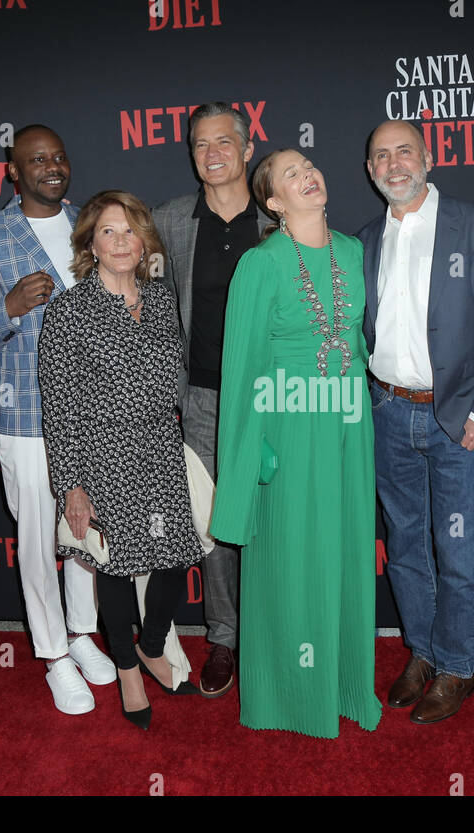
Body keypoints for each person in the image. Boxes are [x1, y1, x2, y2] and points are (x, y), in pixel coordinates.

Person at [210, 149, 383, 738]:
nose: (308, 173)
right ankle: (288, 696)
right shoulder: (260, 265)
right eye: (290, 174)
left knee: (345, 554)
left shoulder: (356, 251)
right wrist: (250, 449)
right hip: (287, 427)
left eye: (310, 164)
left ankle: (343, 683)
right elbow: (241, 371)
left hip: (348, 429)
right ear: (273, 202)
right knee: (288, 563)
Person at [360, 121, 474, 724]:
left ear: (428, 158)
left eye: (405, 151)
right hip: (388, 412)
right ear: (369, 169)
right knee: (404, 546)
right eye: (381, 155)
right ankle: (422, 652)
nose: (394, 164)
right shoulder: (366, 237)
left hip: (459, 418)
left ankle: (456, 664)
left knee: (457, 548)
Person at [0, 125, 116, 716]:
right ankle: (53, 655)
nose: (51, 166)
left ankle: (81, 632)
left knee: (82, 532)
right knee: (36, 541)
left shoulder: (92, 223)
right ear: (14, 172)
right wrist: (9, 307)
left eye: (57, 156)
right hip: (28, 416)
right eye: (36, 160)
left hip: (94, 412)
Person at [38, 190, 204, 730]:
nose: (120, 241)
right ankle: (129, 671)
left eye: (129, 230)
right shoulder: (69, 310)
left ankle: (152, 643)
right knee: (112, 564)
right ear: (90, 242)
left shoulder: (159, 299)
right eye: (108, 231)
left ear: (144, 240)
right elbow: (58, 407)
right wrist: (72, 487)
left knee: (174, 555)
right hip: (101, 455)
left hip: (159, 448)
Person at [154, 103, 274, 698]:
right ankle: (224, 636)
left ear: (248, 147)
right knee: (218, 525)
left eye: (224, 141)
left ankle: (274, 634)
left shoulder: (281, 220)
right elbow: (149, 313)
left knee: (272, 521)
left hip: (273, 402)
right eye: (201, 144)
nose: (213, 153)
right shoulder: (171, 222)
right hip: (199, 399)